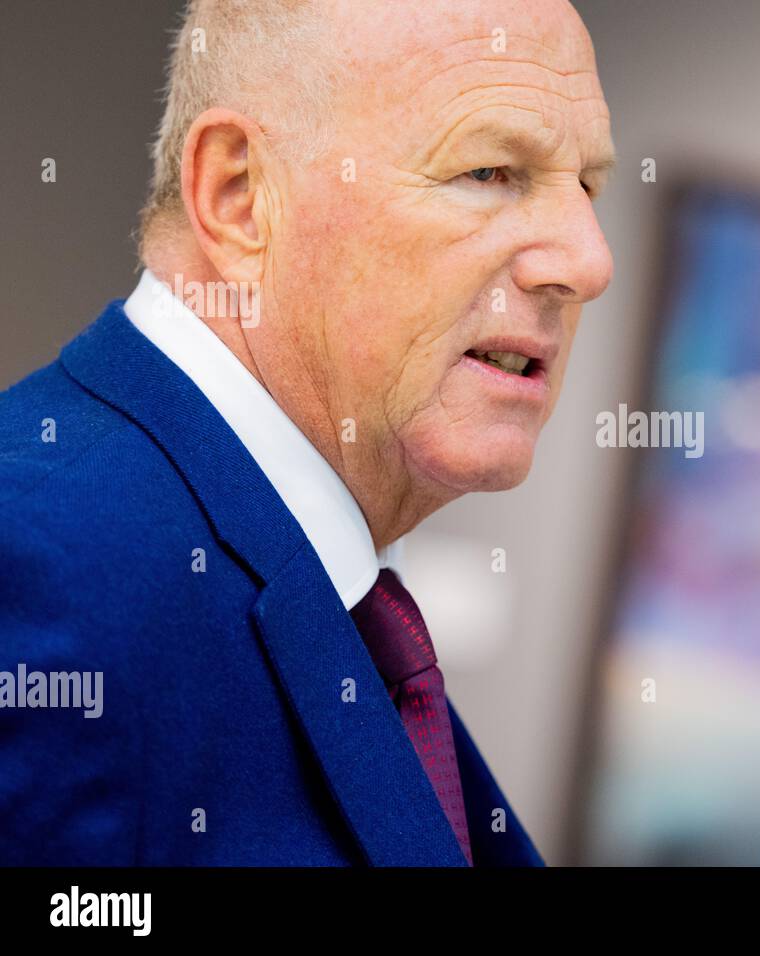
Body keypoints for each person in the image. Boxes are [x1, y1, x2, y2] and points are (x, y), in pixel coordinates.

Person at [0, 0, 615, 865]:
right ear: (241, 196)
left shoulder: (346, 605)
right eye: (488, 170)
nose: (589, 261)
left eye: (588, 185)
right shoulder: (34, 572)